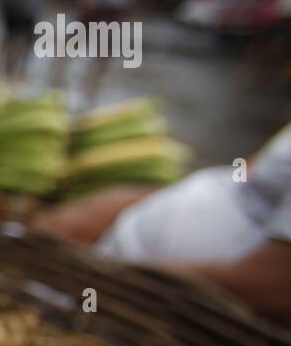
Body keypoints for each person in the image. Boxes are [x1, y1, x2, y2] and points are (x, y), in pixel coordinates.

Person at [34, 123, 291, 326]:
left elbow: (273, 287)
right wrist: (128, 204)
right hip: (112, 273)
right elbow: (245, 181)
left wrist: (106, 277)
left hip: (160, 318)